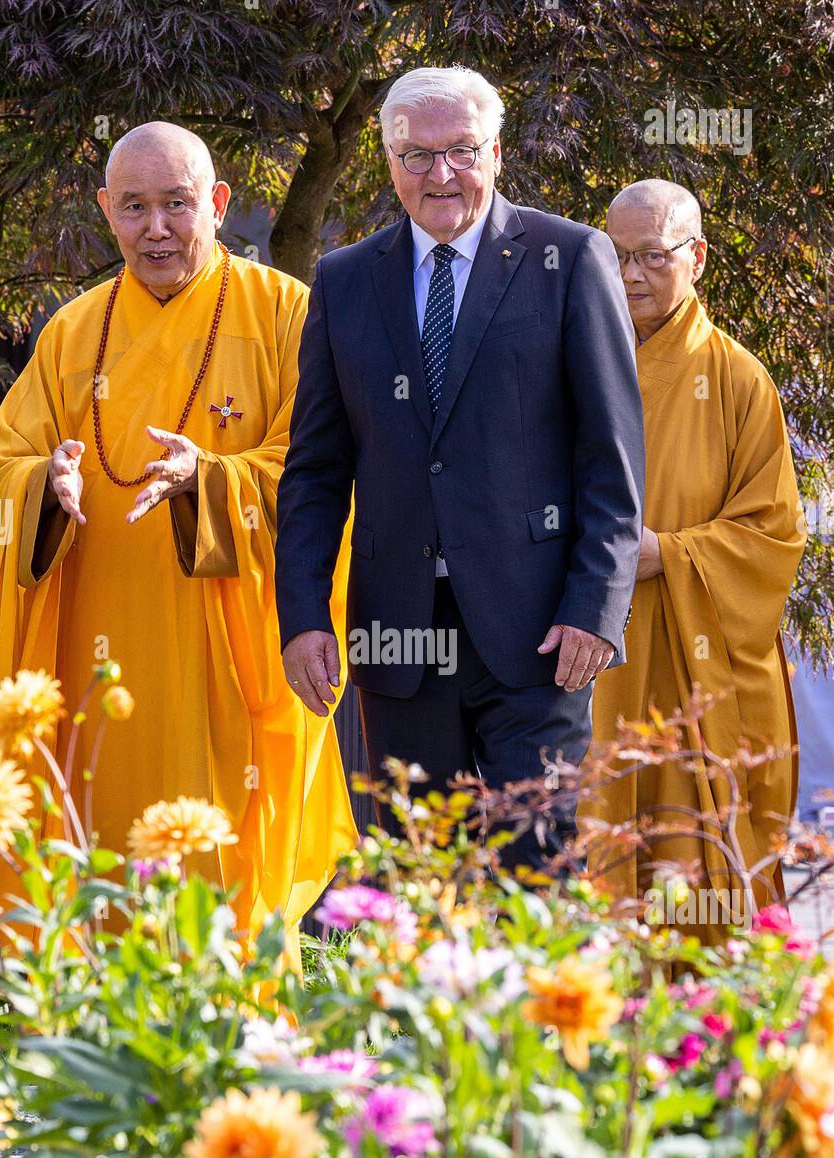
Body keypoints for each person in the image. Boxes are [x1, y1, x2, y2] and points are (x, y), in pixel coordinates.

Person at [0, 122, 356, 966]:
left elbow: (322, 466)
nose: (157, 228)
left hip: (226, 649)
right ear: (107, 212)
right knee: (95, 838)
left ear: (218, 204)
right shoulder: (72, 332)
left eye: (178, 204)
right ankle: (98, 1049)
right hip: (92, 650)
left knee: (217, 852)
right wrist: (46, 487)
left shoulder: (286, 312)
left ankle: (226, 1032)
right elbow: (8, 461)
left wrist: (214, 480)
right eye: (136, 208)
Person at [275, 66, 644, 867]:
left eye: (461, 151)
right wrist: (303, 615)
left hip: (542, 636)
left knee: (534, 872)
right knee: (417, 879)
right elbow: (314, 470)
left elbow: (610, 461)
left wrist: (595, 610)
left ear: (498, 154)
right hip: (397, 639)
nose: (440, 174)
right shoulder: (342, 281)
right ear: (390, 163)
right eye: (416, 156)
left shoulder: (570, 258)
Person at [585, 178, 805, 938]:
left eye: (652, 256)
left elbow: (773, 534)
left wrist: (668, 555)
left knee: (698, 853)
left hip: (698, 653)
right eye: (615, 257)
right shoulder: (579, 361)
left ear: (698, 257)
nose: (632, 276)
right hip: (596, 650)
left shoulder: (739, 379)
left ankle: (711, 1042)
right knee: (602, 834)